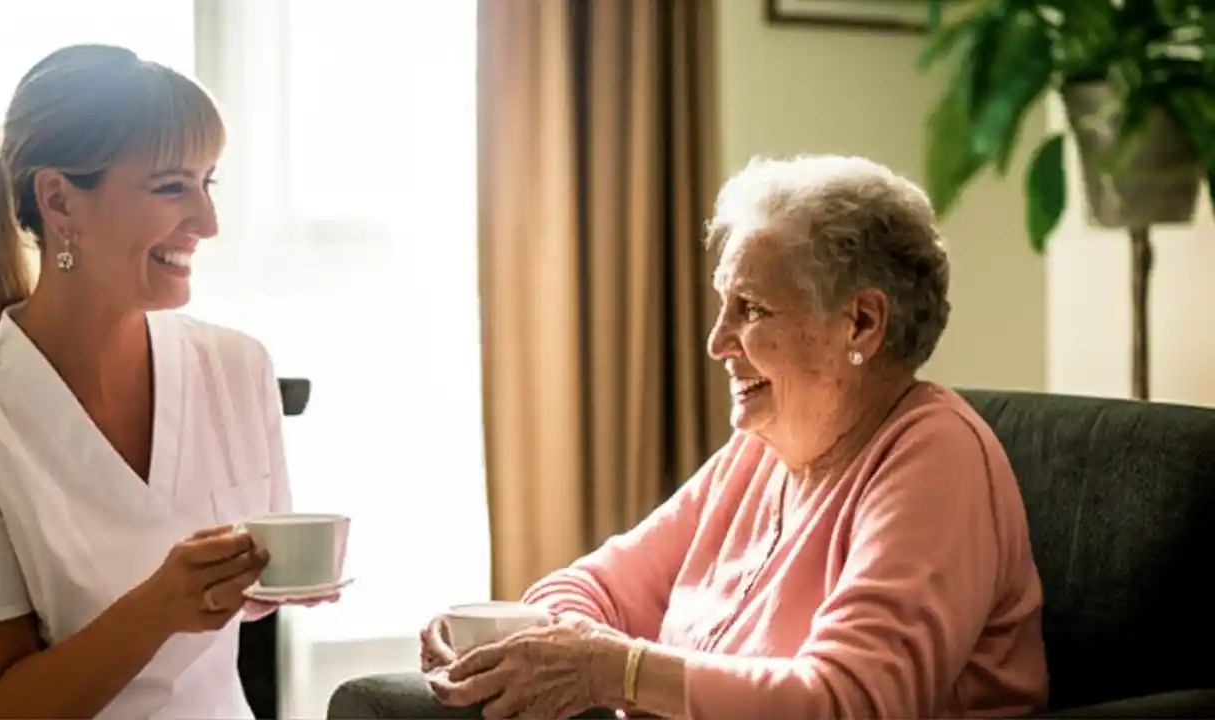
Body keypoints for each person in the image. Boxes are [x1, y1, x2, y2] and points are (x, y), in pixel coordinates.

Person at [387, 155, 1048, 719]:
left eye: (752, 310)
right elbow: (591, 588)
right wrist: (529, 645)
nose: (716, 342)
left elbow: (850, 701)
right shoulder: (761, 453)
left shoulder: (936, 457)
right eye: (722, 305)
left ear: (862, 323)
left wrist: (614, 670)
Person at [0, 45, 324, 719]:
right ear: (59, 199)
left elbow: (254, 596)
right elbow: (4, 707)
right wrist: (158, 606)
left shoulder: (238, 368)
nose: (207, 223)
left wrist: (273, 581)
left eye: (209, 183)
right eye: (173, 187)